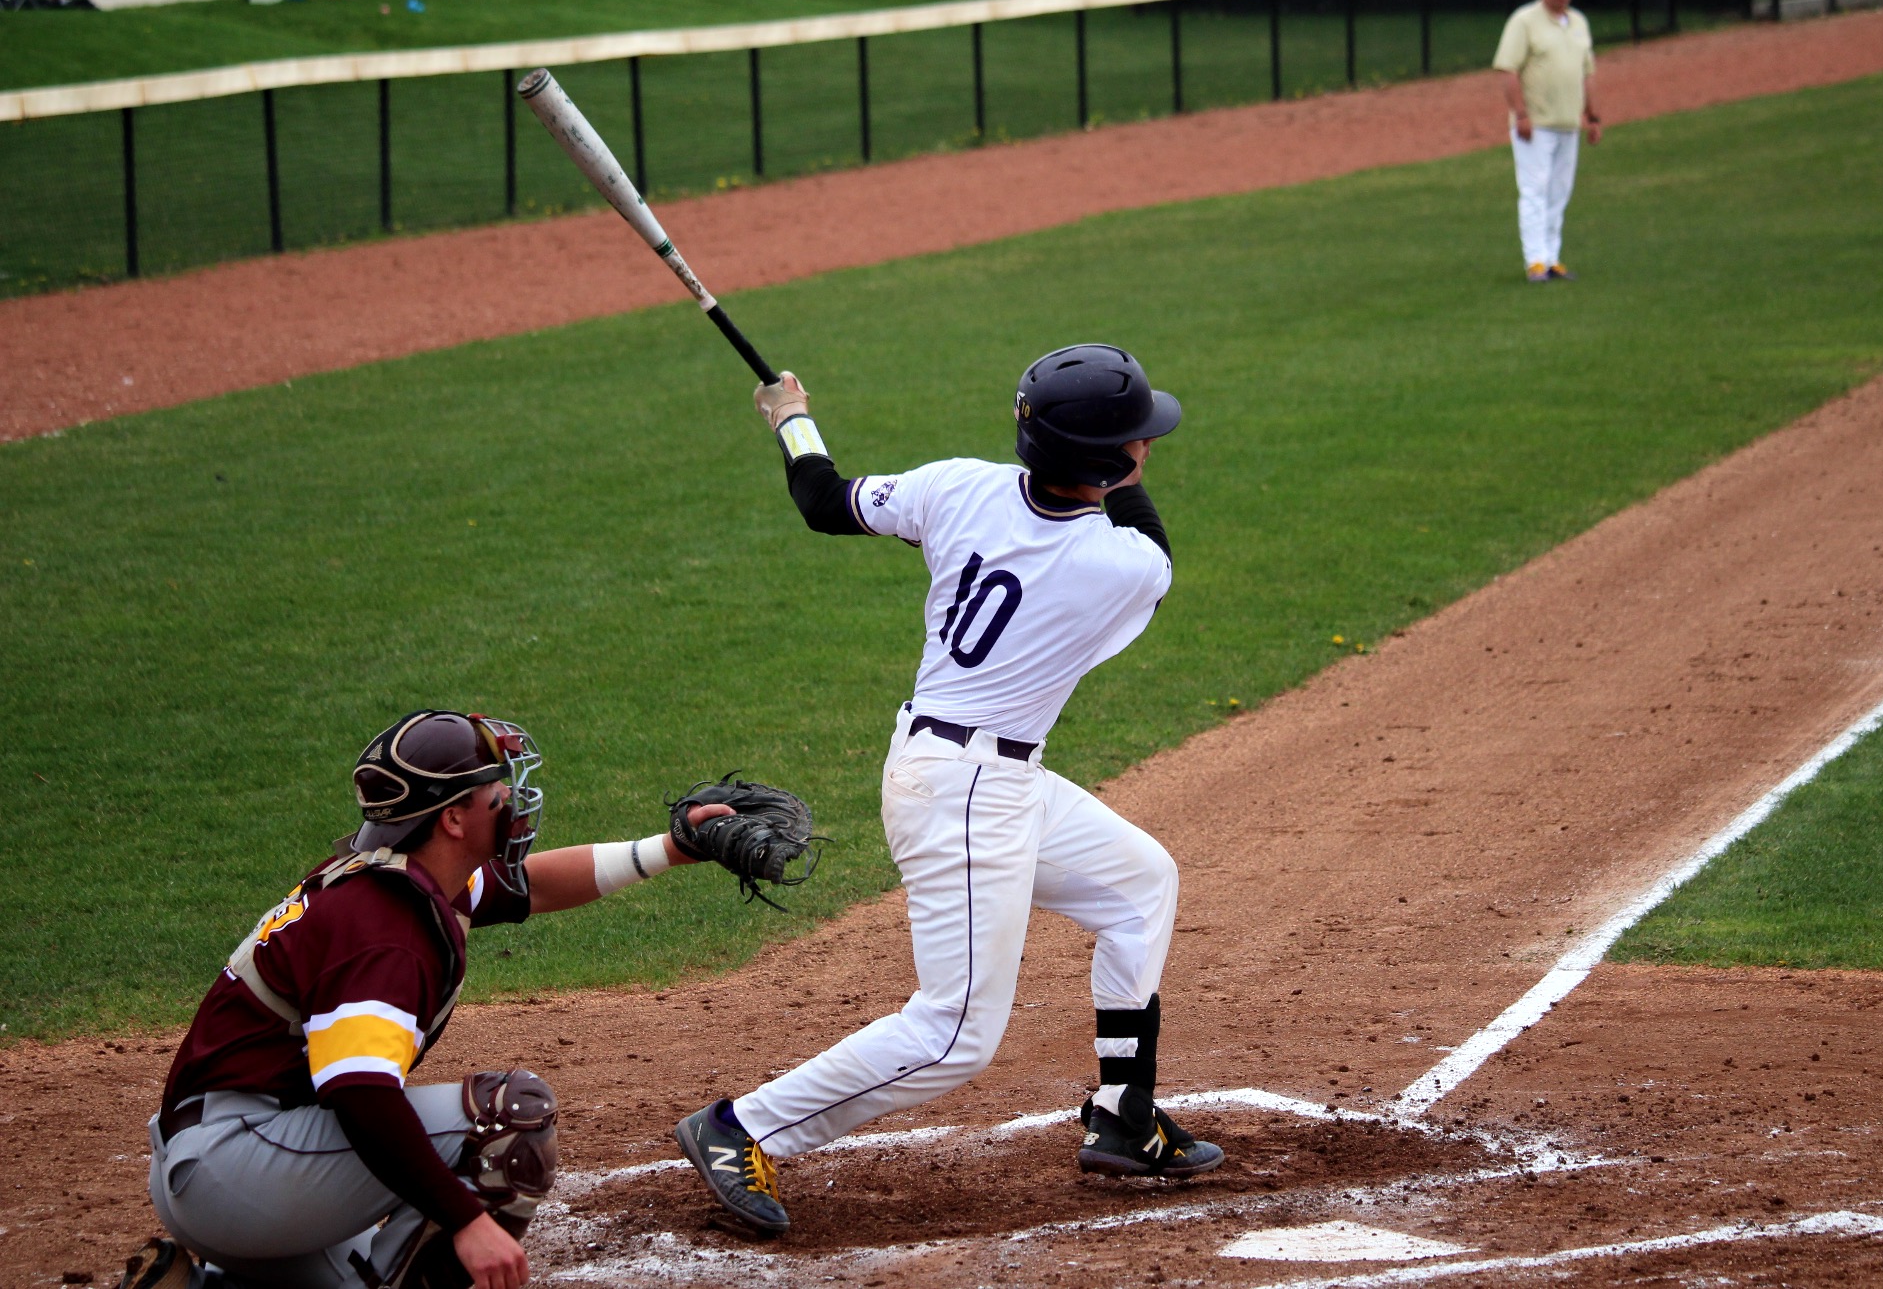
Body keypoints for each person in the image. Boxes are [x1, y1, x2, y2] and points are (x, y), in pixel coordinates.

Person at [673, 344, 1224, 1237]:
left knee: (1138, 883)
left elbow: (822, 501)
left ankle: (1124, 1115)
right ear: (1112, 461)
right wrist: (1119, 462)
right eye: (1136, 439)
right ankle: (742, 1126)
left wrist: (792, 417)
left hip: (967, 770)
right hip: (970, 795)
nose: (1146, 447)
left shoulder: (956, 485)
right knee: (955, 1031)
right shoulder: (1121, 567)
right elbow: (1145, 526)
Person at [118, 710, 738, 1289]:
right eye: (497, 792)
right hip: (239, 1169)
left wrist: (674, 848)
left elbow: (532, 885)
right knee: (508, 1121)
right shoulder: (386, 933)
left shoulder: (400, 873)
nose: (512, 804)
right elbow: (358, 1092)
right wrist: (465, 1220)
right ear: (452, 818)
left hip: (233, 1158)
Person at [1493, 0, 1603, 282]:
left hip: (1568, 123)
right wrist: (1522, 114)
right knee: (1534, 190)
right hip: (1536, 125)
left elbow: (1587, 72)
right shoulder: (1524, 21)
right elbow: (1507, 69)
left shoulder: (1579, 23)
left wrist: (1593, 115)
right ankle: (1535, 261)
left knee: (1559, 192)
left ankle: (1553, 258)